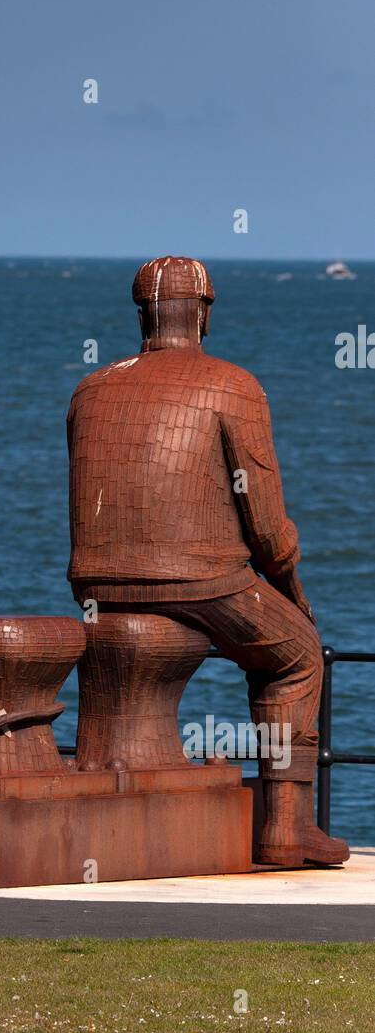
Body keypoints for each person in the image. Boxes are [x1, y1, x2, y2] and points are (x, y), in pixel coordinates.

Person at [67, 255, 348, 866]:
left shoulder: (91, 387)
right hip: (201, 578)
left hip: (96, 583)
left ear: (142, 312)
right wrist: (290, 584)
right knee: (297, 657)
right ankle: (285, 827)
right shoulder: (232, 384)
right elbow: (268, 525)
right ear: (204, 315)